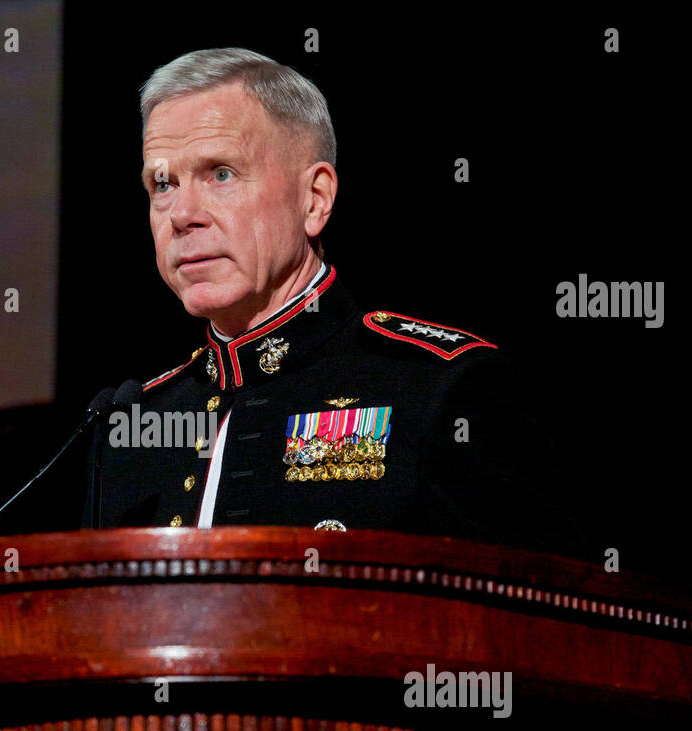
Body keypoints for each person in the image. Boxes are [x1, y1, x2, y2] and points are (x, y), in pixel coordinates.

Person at [84, 48, 584, 556]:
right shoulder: (132, 422)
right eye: (162, 183)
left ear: (315, 200)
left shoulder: (438, 387)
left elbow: (545, 617)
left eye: (221, 174)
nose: (182, 214)